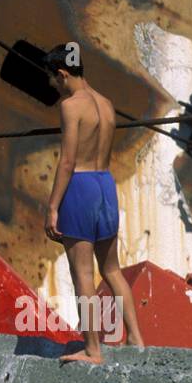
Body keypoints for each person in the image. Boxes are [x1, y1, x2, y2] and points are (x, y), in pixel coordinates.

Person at [42, 43, 145, 363]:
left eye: (54, 80)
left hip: (81, 188)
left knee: (83, 275)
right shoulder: (106, 104)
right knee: (111, 269)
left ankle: (92, 349)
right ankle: (137, 340)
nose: (54, 87)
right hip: (105, 184)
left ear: (62, 74)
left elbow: (68, 161)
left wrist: (53, 206)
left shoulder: (72, 106)